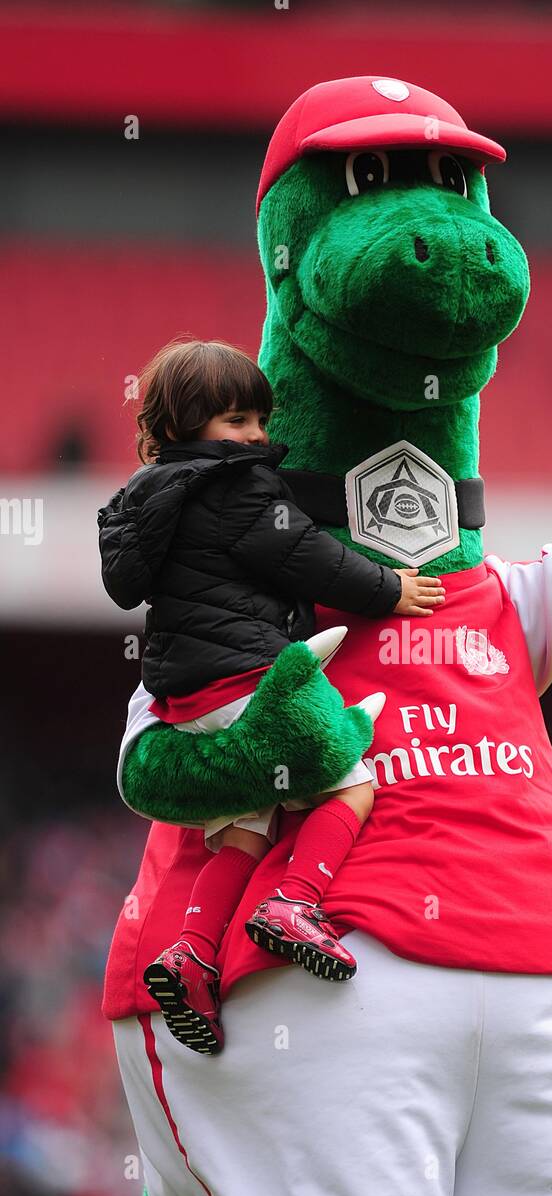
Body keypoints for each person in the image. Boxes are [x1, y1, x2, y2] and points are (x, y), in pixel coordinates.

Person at [98, 338, 445, 1054]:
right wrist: (388, 587)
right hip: (251, 682)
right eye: (236, 422)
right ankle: (296, 903)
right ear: (184, 427)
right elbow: (304, 555)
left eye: (258, 418)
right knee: (351, 783)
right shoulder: (239, 486)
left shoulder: (138, 499)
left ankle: (192, 952)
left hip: (187, 704)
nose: (257, 436)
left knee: (244, 825)